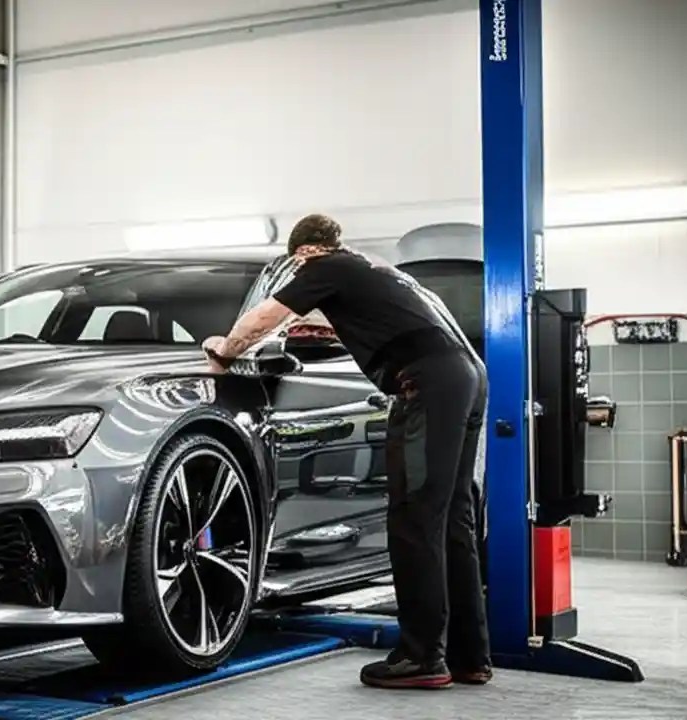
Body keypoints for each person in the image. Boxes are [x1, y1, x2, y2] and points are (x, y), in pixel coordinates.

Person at [202, 213, 491, 690]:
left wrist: (225, 350)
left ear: (304, 253)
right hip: (467, 376)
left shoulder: (322, 266)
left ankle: (421, 658)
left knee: (415, 519)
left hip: (426, 382)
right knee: (453, 520)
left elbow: (266, 317)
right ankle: (469, 656)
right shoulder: (379, 270)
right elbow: (385, 322)